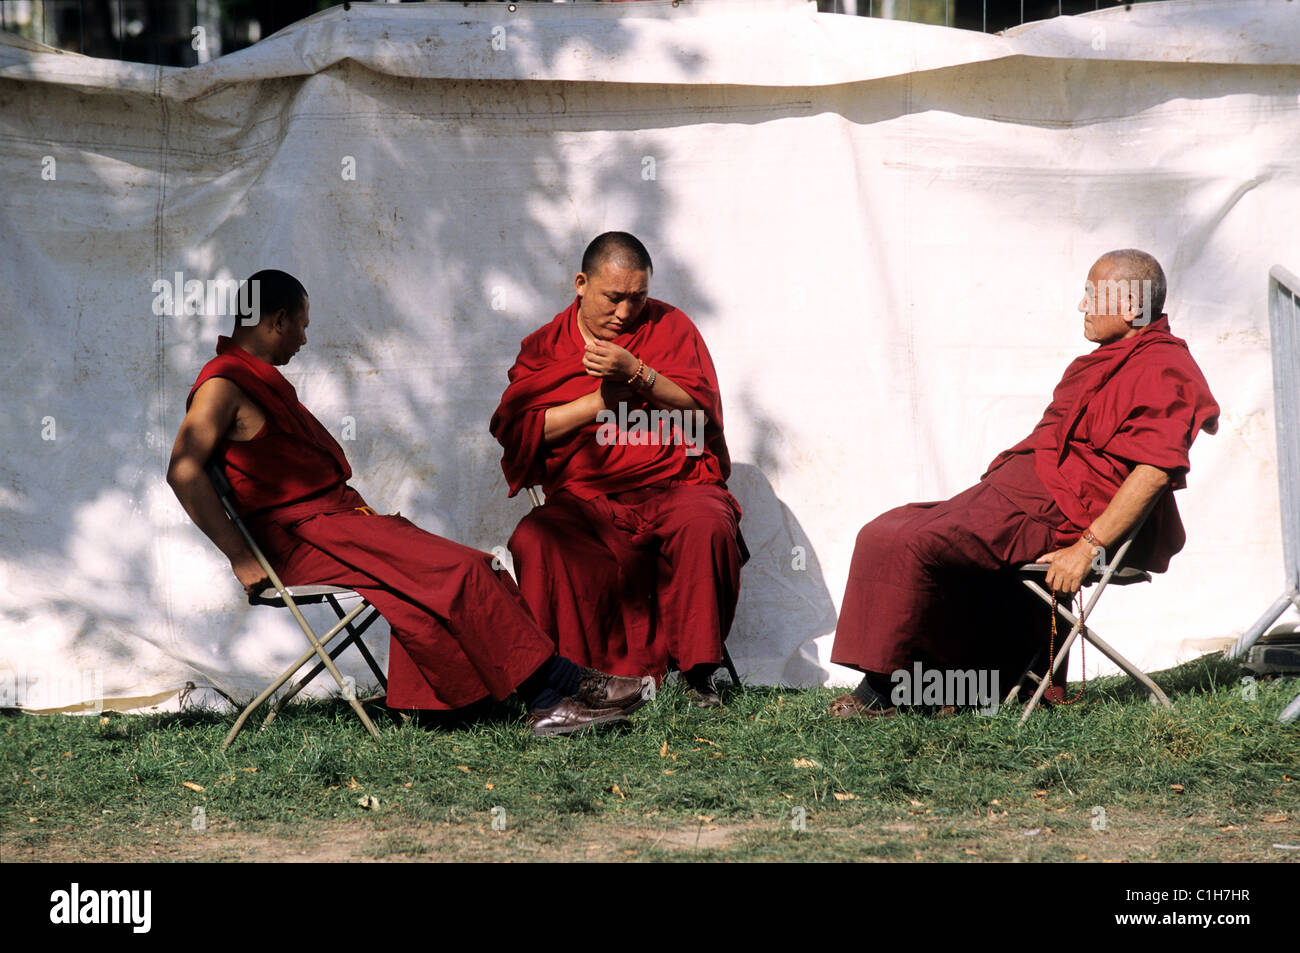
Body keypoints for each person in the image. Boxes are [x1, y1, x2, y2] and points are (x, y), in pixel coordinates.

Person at [166, 269, 651, 737]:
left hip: (333, 526)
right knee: (464, 572)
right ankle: (562, 691)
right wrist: (241, 557)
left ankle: (497, 702)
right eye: (301, 327)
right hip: (302, 540)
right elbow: (184, 471)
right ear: (276, 321)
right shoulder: (223, 384)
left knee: (429, 595)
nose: (304, 341)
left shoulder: (253, 378)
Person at [829, 249, 1221, 717]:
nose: (1082, 306)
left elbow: (1154, 472)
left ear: (1128, 304)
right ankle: (953, 687)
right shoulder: (1101, 361)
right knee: (887, 528)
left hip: (1063, 513)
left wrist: (1087, 548)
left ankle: (889, 691)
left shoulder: (1162, 367)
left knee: (915, 542)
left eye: (1092, 295)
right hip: (1020, 496)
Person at [490, 233, 746, 706]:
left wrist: (638, 373)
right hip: (589, 499)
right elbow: (518, 429)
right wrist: (597, 402)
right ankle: (573, 679)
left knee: (707, 521)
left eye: (638, 297)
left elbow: (701, 411)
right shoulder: (546, 346)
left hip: (674, 484)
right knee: (536, 537)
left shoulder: (671, 326)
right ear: (581, 283)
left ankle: (697, 676)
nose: (626, 312)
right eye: (614, 297)